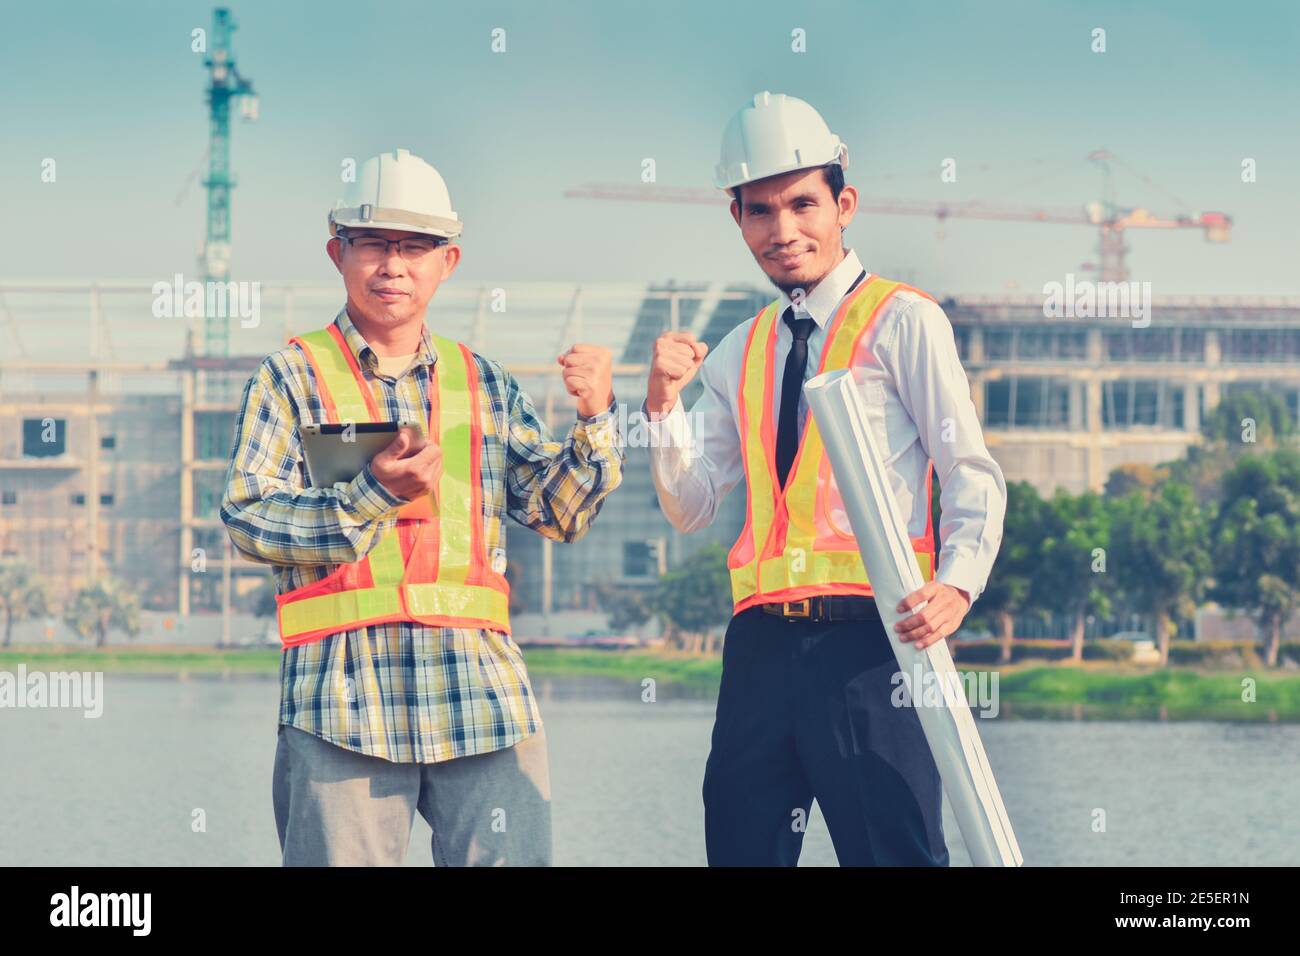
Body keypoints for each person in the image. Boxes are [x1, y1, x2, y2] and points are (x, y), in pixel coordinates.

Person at [221, 148, 623, 866]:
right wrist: (371, 496)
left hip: (482, 696)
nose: (392, 266)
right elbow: (248, 518)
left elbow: (558, 512)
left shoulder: (486, 384)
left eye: (415, 248)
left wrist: (595, 421)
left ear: (449, 261)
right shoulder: (291, 377)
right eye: (373, 244)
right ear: (337, 254)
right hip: (342, 700)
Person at [643, 93, 1007, 866]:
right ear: (736, 220)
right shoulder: (739, 348)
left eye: (804, 204)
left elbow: (967, 467)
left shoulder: (904, 320)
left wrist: (958, 582)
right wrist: (661, 408)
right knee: (743, 850)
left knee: (893, 853)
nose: (784, 231)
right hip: (760, 651)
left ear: (845, 204)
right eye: (760, 211)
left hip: (874, 643)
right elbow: (691, 505)